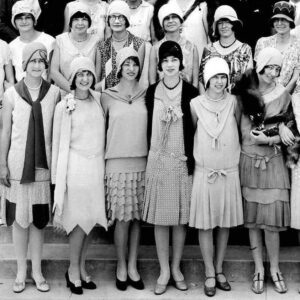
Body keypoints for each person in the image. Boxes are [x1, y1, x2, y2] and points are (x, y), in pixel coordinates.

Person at [0, 42, 60, 293]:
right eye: (32, 61)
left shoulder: (54, 93)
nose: (37, 65)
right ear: (23, 64)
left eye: (41, 61)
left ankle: (36, 270)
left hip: (42, 167)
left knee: (38, 222)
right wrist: (2, 163)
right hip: (16, 167)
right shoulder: (11, 94)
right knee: (19, 221)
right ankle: (21, 270)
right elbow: (5, 131)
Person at [234, 47, 293, 295]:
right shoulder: (243, 93)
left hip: (274, 162)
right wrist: (253, 139)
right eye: (270, 67)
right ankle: (258, 267)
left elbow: (290, 130)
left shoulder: (283, 95)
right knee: (253, 222)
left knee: (270, 222)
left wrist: (272, 137)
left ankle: (275, 268)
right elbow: (237, 127)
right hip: (249, 160)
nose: (273, 73)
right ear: (261, 66)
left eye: (278, 69)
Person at [142, 40, 198, 295]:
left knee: (179, 220)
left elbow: (196, 128)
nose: (170, 64)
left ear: (181, 63)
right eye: (165, 60)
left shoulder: (191, 92)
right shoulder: (152, 91)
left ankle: (176, 268)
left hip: (182, 161)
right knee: (161, 220)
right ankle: (163, 269)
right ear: (160, 65)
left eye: (174, 60)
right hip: (159, 160)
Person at [52, 56, 107, 295]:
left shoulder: (98, 99)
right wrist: (58, 180)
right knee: (76, 222)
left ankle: (82, 267)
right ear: (72, 78)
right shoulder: (64, 105)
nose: (84, 78)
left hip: (96, 168)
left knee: (91, 221)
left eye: (88, 74)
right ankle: (72, 269)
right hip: (75, 168)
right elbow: (57, 144)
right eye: (79, 74)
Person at [189, 57, 243, 297]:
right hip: (205, 173)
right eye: (215, 77)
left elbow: (240, 130)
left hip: (228, 172)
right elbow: (192, 133)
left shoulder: (234, 102)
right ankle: (209, 271)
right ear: (206, 79)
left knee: (224, 223)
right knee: (206, 224)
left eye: (223, 77)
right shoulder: (194, 104)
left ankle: (220, 268)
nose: (219, 82)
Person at [101, 47, 147, 291]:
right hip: (116, 163)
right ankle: (120, 265)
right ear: (119, 67)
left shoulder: (146, 93)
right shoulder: (107, 95)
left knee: (137, 218)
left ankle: (132, 266)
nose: (131, 68)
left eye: (135, 64)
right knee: (121, 218)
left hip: (142, 162)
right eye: (126, 64)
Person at [199, 5, 252, 94]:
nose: (224, 26)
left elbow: (250, 81)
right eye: (220, 23)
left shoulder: (245, 49)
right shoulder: (208, 49)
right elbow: (201, 80)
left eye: (228, 22)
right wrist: (204, 104)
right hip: (211, 103)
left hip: (236, 103)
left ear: (234, 24)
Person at [95, 0, 145, 90]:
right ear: (108, 20)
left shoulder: (139, 44)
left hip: (129, 96)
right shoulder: (102, 46)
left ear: (126, 20)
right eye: (113, 17)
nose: (117, 21)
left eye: (121, 17)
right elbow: (97, 79)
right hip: (105, 96)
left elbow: (137, 77)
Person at [51, 2, 99, 95]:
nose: (80, 23)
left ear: (89, 22)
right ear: (70, 22)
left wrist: (86, 93)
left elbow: (97, 74)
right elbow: (54, 72)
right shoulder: (60, 40)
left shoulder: (96, 41)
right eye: (76, 19)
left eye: (84, 19)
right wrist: (74, 91)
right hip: (64, 92)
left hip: (89, 94)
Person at [149, 3, 199, 88]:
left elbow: (195, 81)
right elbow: (152, 80)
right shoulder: (156, 48)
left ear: (180, 21)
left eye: (174, 17)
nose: (171, 21)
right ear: (162, 24)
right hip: (162, 96)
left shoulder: (192, 47)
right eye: (167, 18)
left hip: (187, 97)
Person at [255, 1, 300, 94]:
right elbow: (256, 73)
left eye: (284, 19)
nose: (279, 23)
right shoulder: (262, 43)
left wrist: (279, 99)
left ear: (291, 22)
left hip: (287, 99)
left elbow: (296, 79)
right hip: (262, 97)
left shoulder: (298, 46)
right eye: (276, 20)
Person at [9, 1, 55, 82]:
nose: (24, 22)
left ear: (34, 20)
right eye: (19, 18)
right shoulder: (11, 46)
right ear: (14, 22)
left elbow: (52, 73)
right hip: (20, 92)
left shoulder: (49, 41)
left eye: (28, 17)